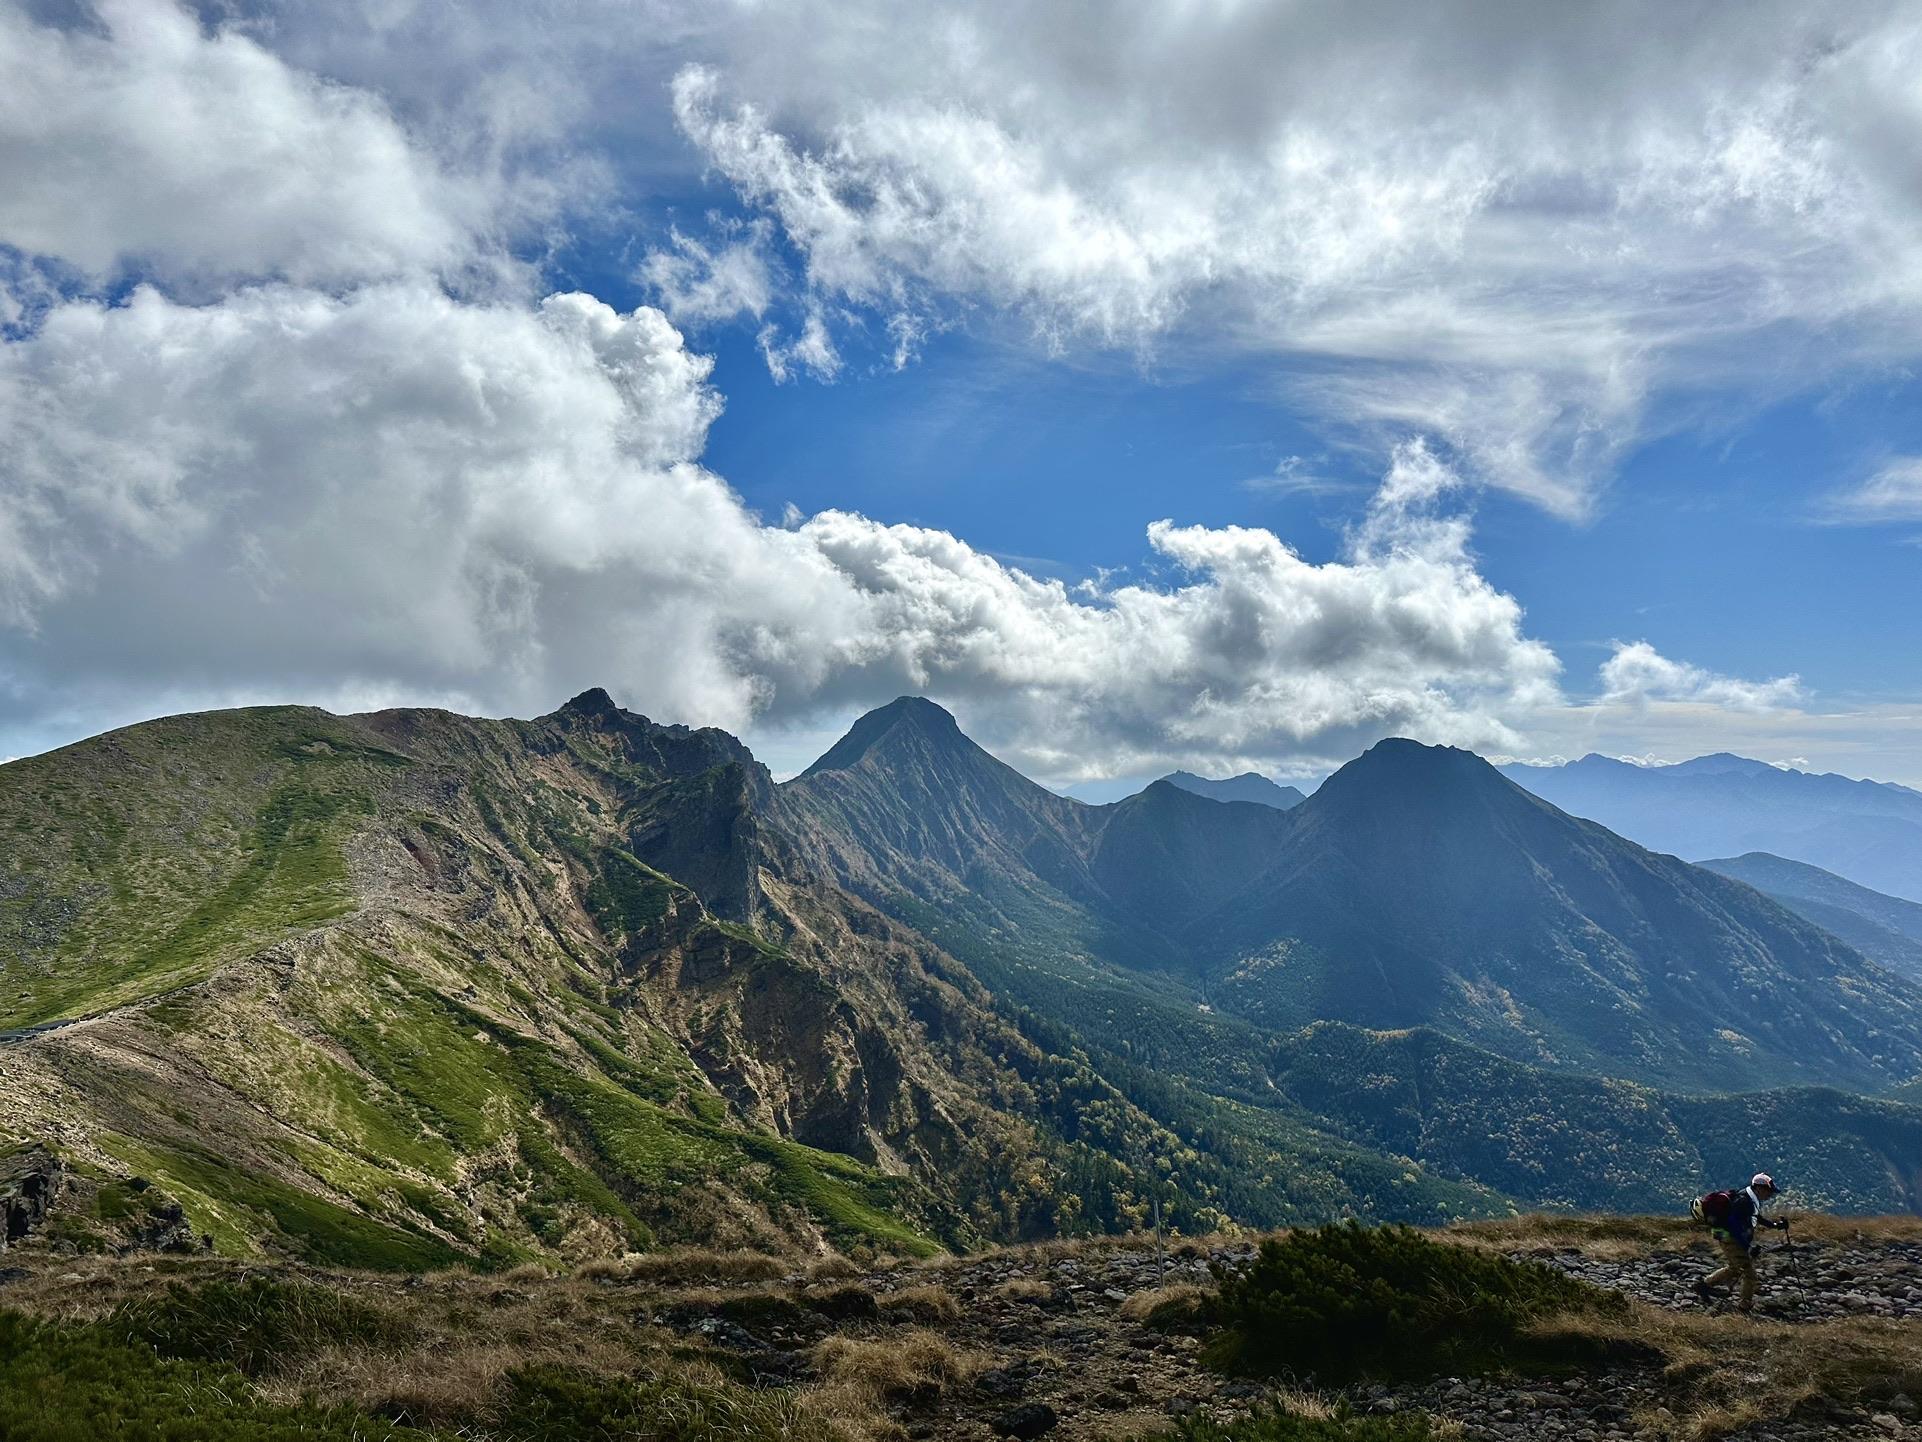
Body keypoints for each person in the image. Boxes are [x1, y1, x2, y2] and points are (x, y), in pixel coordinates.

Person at [1692, 1172, 1786, 1312]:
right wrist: (1748, 1247)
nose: (1770, 1195)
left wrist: (1775, 1225)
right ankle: (1744, 1306)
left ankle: (1704, 1285)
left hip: (1727, 1238)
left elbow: (1756, 1217)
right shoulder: (1745, 1201)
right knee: (1750, 1274)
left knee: (1734, 1268)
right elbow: (1733, 1224)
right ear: (1759, 1188)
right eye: (1769, 1191)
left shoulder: (1748, 1198)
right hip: (1731, 1240)